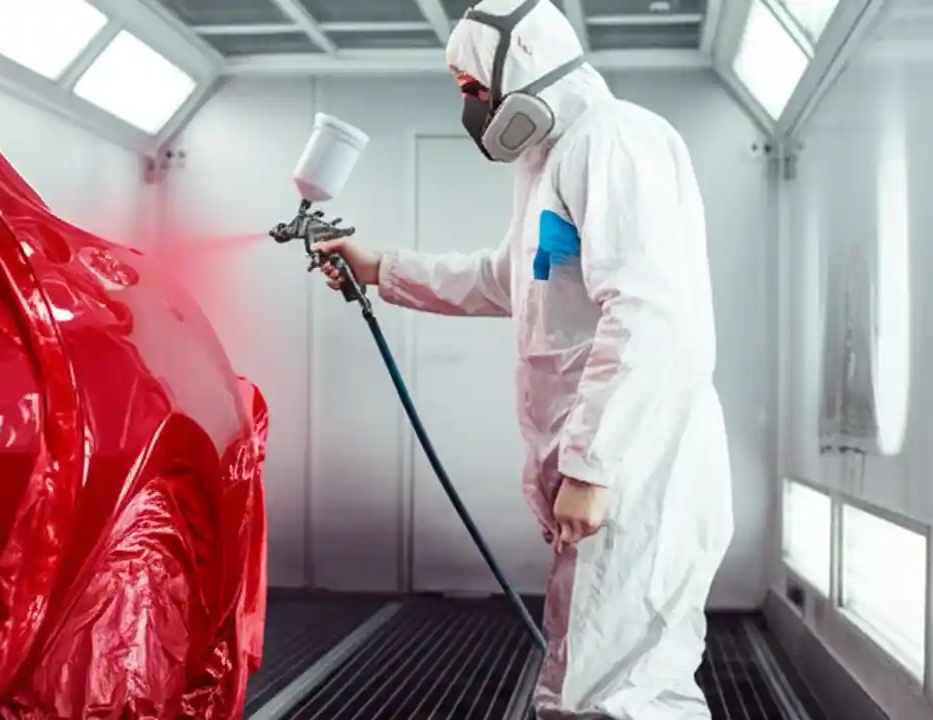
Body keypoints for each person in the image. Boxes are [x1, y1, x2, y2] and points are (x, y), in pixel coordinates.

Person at [314, 0, 735, 717]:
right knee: (591, 681)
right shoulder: (551, 160)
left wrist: (591, 468)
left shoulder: (615, 139)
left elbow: (650, 314)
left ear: (526, 70)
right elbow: (506, 279)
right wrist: (381, 266)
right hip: (610, 473)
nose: (471, 110)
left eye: (474, 89)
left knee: (628, 695)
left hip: (640, 471)